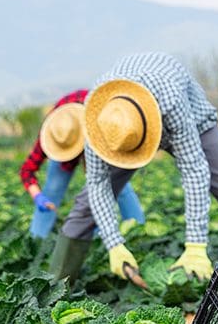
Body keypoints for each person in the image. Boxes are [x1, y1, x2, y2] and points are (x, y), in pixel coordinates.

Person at [48, 52, 218, 285]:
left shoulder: (171, 99)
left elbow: (194, 170)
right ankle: (57, 286)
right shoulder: (99, 117)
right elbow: (98, 182)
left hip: (195, 122)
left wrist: (196, 246)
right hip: (125, 139)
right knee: (86, 204)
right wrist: (114, 244)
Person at [21, 89, 146, 239]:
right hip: (64, 145)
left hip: (100, 136)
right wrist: (38, 197)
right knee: (52, 190)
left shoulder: (100, 113)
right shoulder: (53, 132)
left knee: (120, 184)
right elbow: (26, 170)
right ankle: (36, 240)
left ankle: (138, 232)